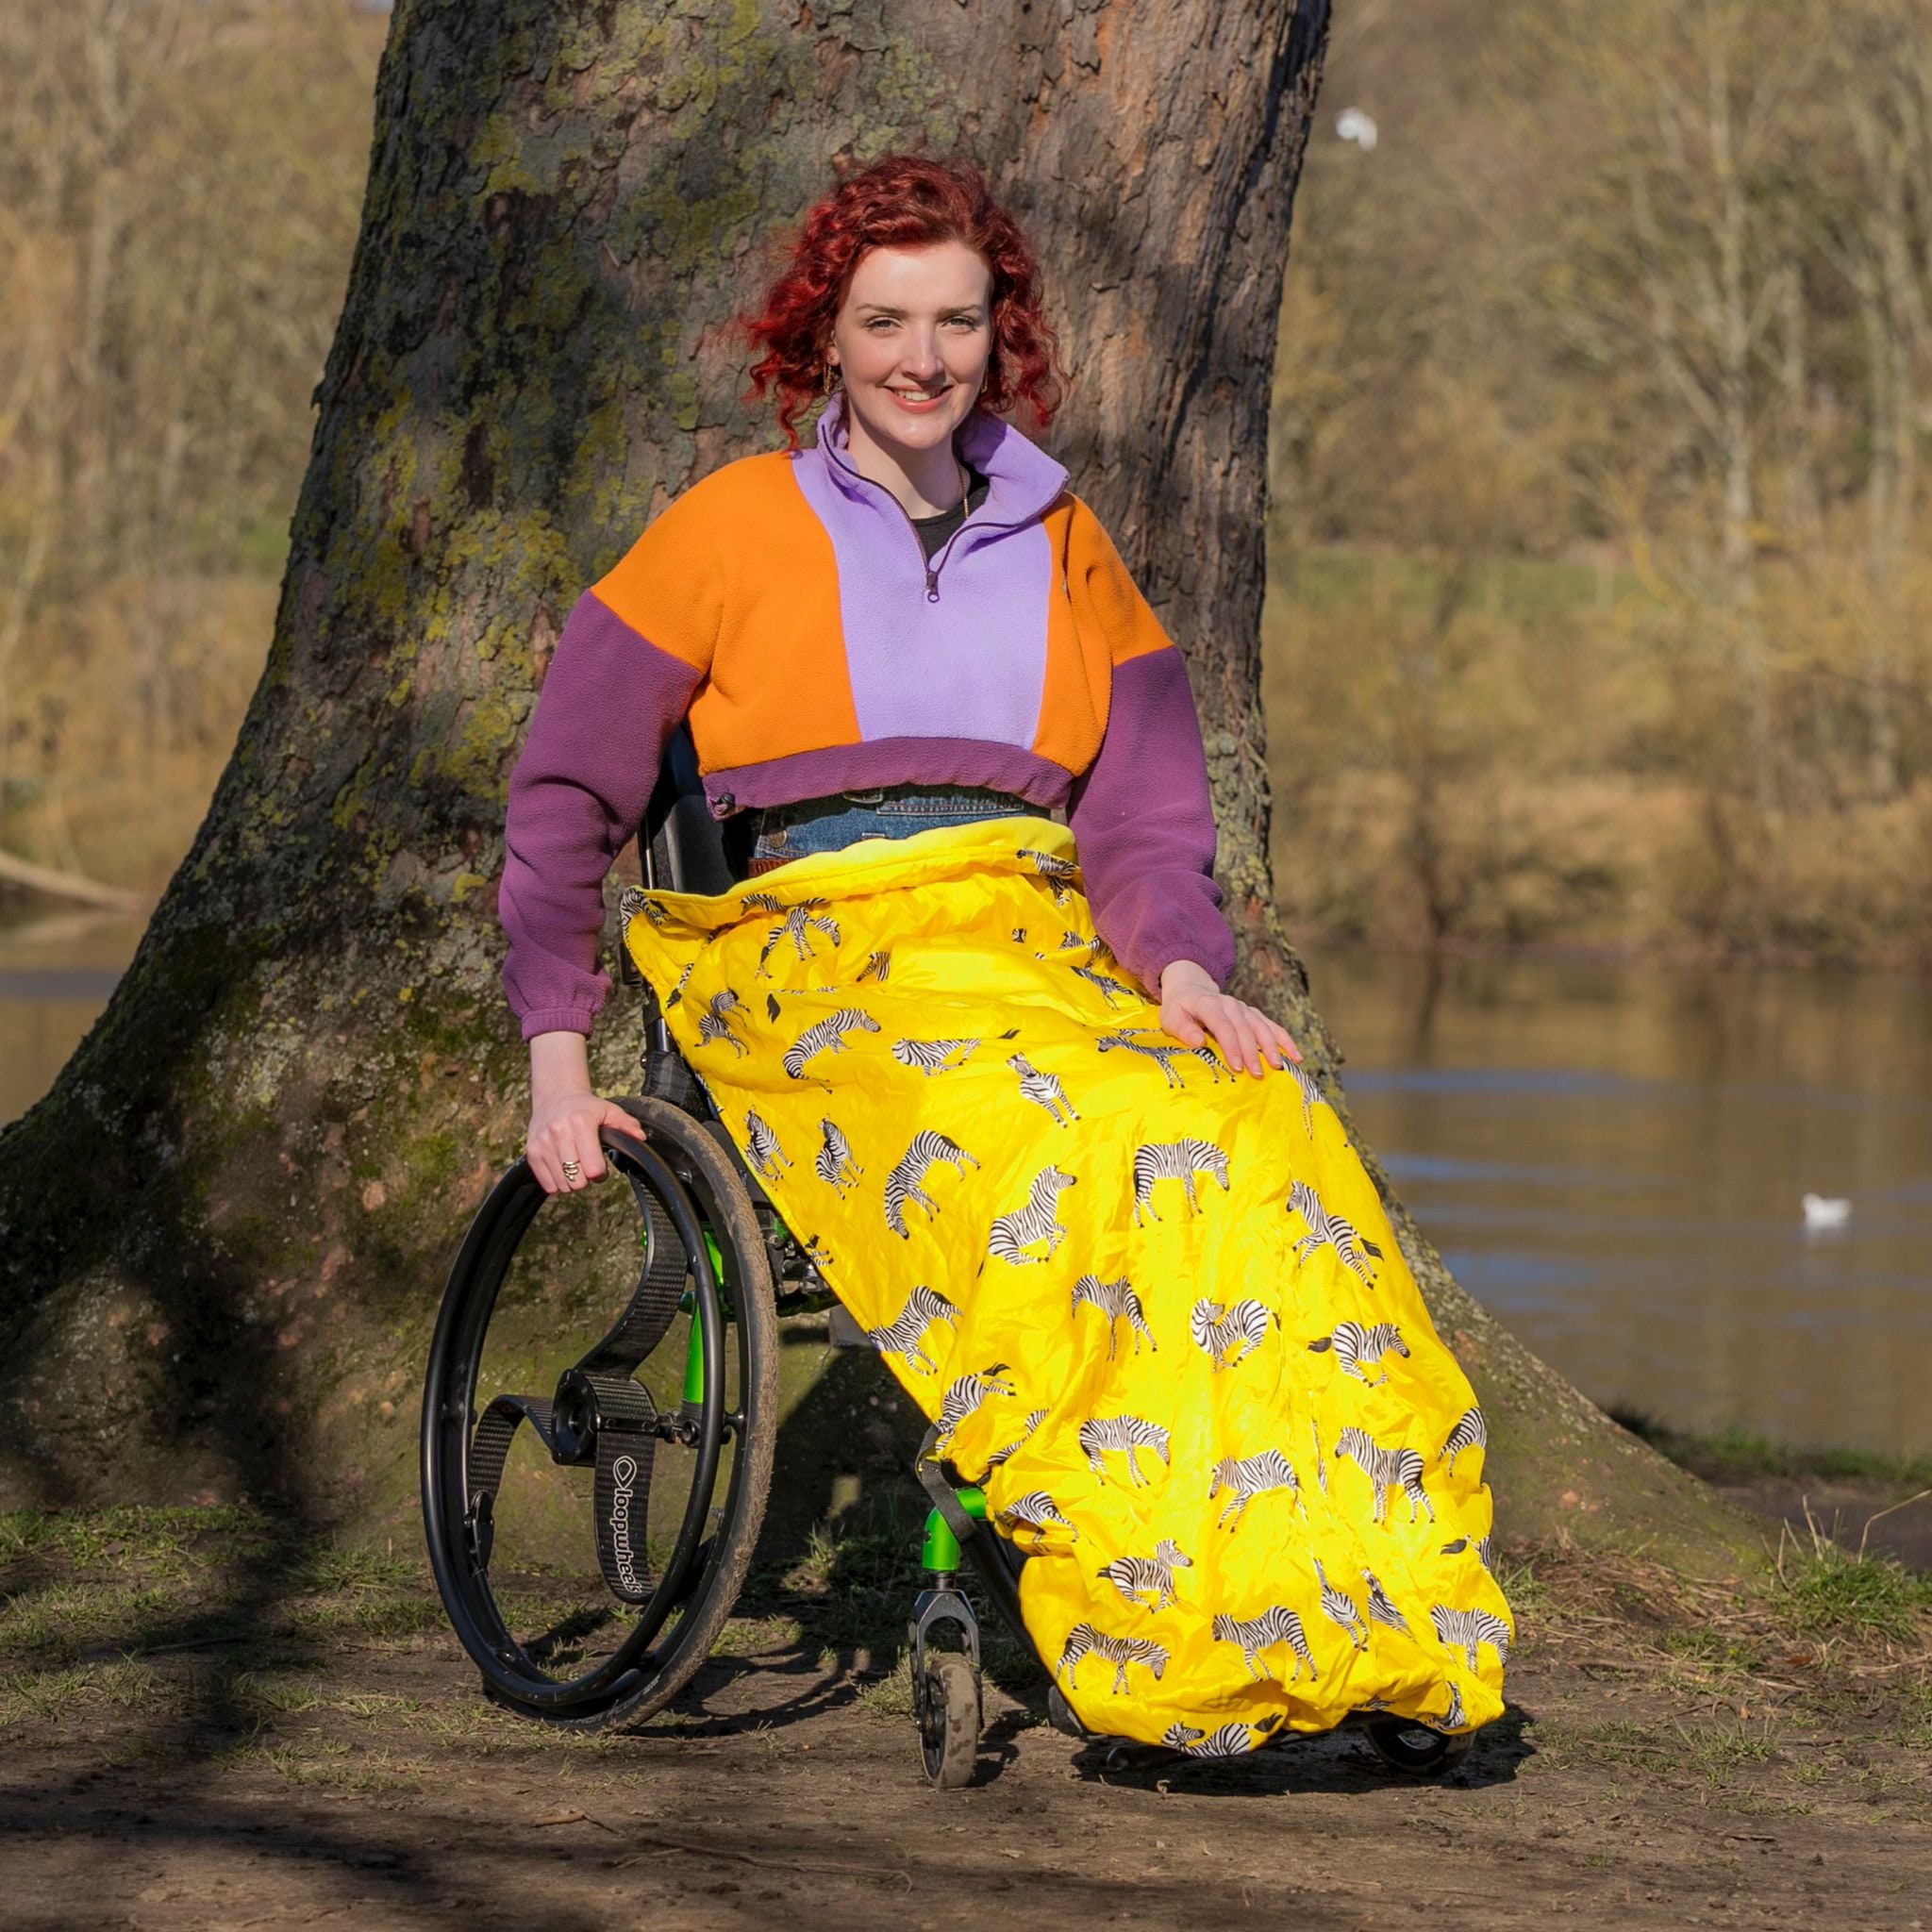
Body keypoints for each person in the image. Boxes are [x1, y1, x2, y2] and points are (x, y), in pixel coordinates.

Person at [498, 154, 1509, 1757]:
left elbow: (1145, 800)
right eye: (886, 319)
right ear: (822, 333)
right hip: (817, 954)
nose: (922, 356)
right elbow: (564, 800)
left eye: (955, 320)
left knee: (1260, 1136)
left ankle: (1342, 1635)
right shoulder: (724, 528)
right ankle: (1161, 1645)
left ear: (999, 332)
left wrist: (1178, 965)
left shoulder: (1062, 533)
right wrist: (560, 1049)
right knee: (1087, 1146)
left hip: (1036, 945)